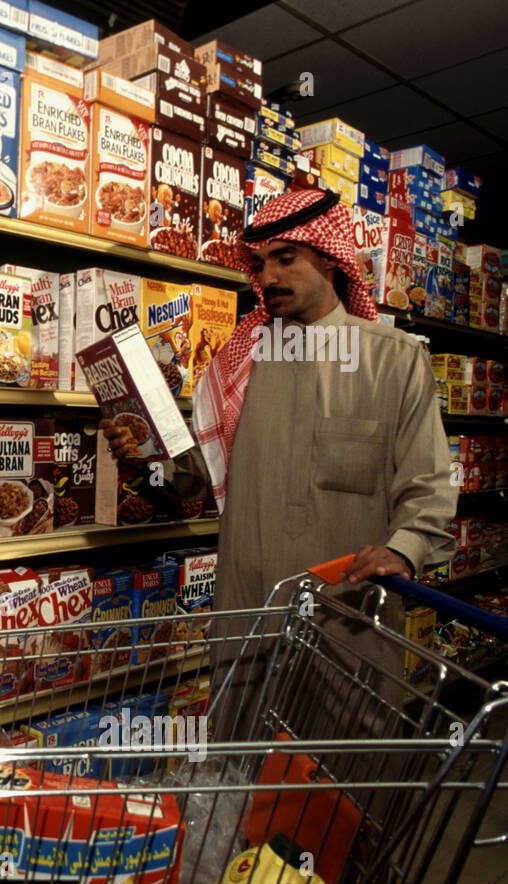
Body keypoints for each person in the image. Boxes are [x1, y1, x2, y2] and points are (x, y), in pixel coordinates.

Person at [101, 188, 456, 734]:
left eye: (286, 258)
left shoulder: (394, 359)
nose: (267, 277)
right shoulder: (242, 362)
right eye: (261, 262)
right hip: (248, 616)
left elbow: (428, 486)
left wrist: (402, 549)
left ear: (332, 259)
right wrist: (145, 454)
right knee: (237, 778)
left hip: (347, 618)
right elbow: (200, 479)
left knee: (345, 784)